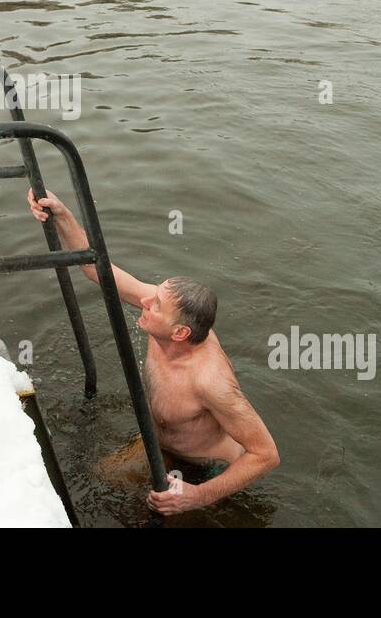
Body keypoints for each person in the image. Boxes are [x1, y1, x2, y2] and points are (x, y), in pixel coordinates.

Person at [27, 188, 280, 514]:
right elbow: (97, 271)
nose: (144, 301)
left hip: (209, 466)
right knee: (97, 481)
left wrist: (197, 496)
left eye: (156, 304)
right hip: (161, 443)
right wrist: (61, 214)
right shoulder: (164, 325)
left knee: (172, 516)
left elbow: (265, 454)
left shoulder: (209, 381)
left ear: (180, 332)